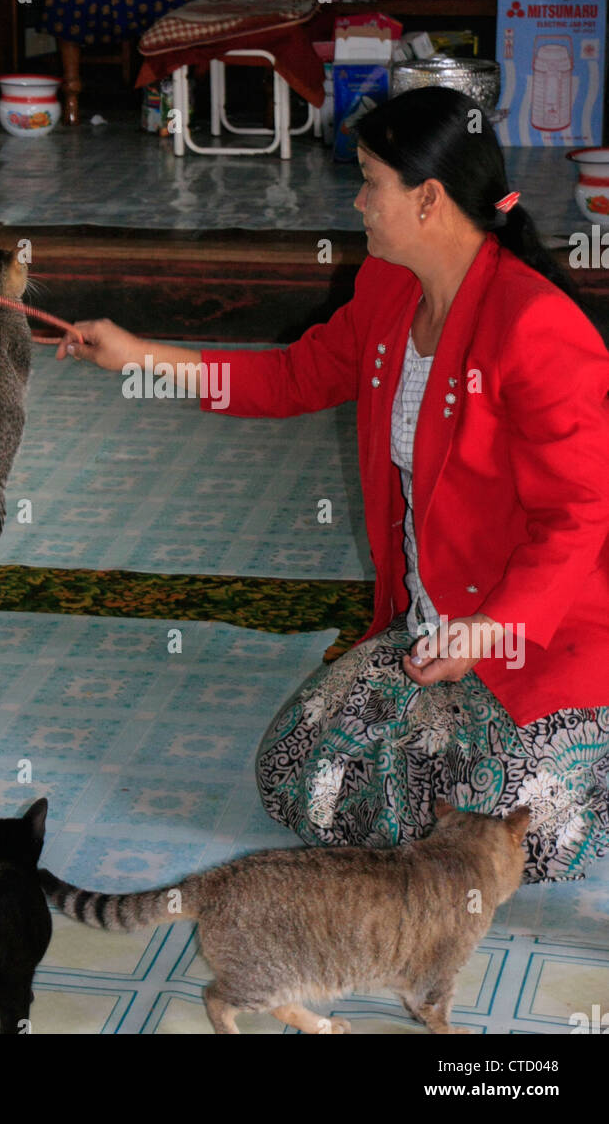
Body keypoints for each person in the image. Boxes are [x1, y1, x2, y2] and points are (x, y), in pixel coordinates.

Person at [55, 87, 609, 883]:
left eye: (369, 180)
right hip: (429, 628)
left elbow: (579, 518)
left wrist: (488, 630)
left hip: (541, 640)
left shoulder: (534, 326)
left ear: (428, 198)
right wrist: (140, 354)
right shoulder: (389, 290)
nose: (356, 201)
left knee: (517, 832)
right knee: (293, 776)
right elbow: (289, 378)